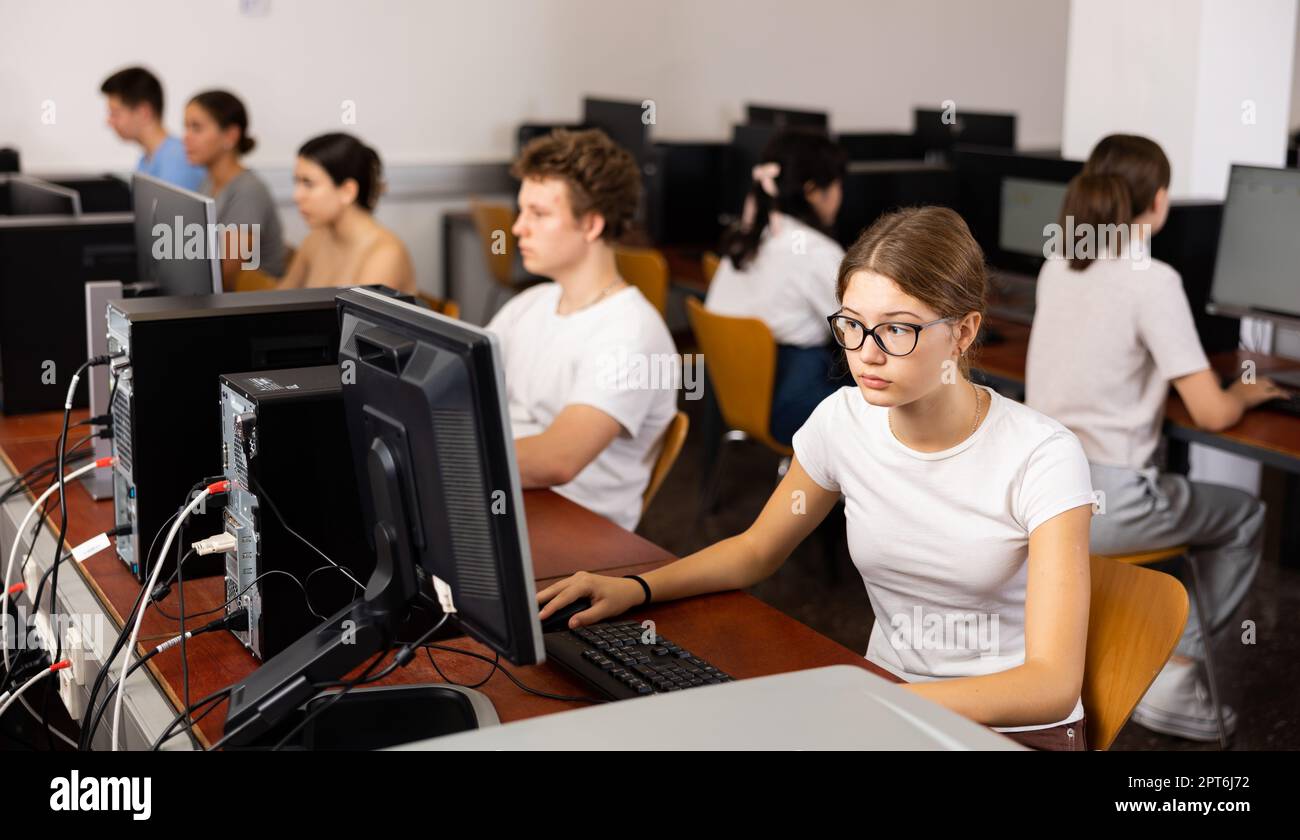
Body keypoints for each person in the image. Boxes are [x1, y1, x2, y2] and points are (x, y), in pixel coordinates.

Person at [539, 207, 1098, 750]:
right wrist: (637, 587)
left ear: (963, 332)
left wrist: (883, 706)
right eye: (851, 326)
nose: (866, 354)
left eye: (897, 330)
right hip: (881, 702)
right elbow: (757, 549)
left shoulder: (1041, 455)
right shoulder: (843, 420)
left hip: (1004, 726)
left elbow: (1049, 687)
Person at [1025, 134, 1283, 742]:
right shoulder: (1152, 278)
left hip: (1040, 492)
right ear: (1159, 203)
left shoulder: (1057, 263)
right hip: (1108, 501)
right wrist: (1244, 391)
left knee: (1184, 516)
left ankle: (1146, 650)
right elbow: (1213, 412)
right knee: (1244, 516)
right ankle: (1177, 666)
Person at [485, 129, 677, 532]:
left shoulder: (631, 334)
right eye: (521, 211)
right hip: (511, 497)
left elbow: (558, 459)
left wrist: (441, 454)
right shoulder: (531, 303)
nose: (518, 228)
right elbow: (461, 384)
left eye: (538, 214)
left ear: (590, 225)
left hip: (573, 527)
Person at [705, 129, 848, 444]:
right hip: (789, 404)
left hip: (736, 394)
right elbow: (859, 326)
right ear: (813, 191)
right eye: (838, 185)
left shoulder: (747, 238)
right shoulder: (816, 251)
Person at [277, 133, 414, 293]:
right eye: (297, 182)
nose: (297, 196)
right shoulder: (315, 239)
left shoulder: (386, 255)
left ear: (347, 191)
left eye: (308, 183)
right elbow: (279, 300)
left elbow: (356, 318)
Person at [184, 90, 288, 287]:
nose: (186, 137)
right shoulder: (208, 182)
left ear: (230, 136)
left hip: (255, 305)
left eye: (196, 128)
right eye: (186, 127)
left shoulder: (248, 191)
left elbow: (222, 277)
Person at [100, 66, 204, 190]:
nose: (109, 122)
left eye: (115, 113)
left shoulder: (178, 160)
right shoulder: (146, 160)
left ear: (144, 112)